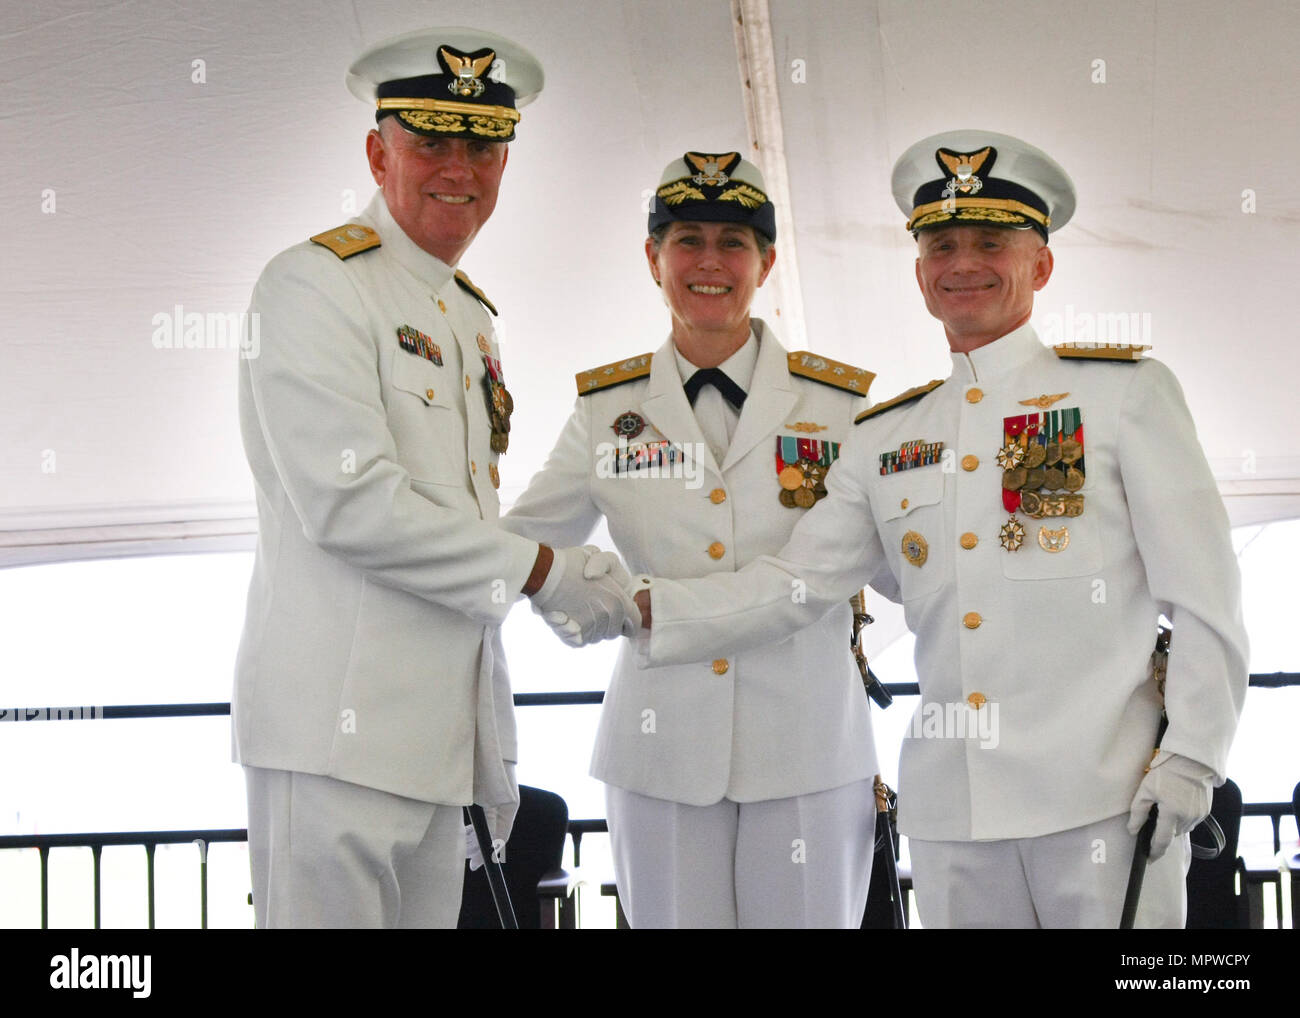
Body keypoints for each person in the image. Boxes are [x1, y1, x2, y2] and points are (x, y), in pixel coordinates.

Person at [609, 130, 1248, 928]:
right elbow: (793, 585)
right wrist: (642, 608)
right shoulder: (884, 436)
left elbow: (1206, 598)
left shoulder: (1125, 396)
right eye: (942, 244)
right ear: (920, 274)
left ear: (1041, 265)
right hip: (955, 820)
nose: (963, 262)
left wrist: (1193, 754)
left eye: (991, 241)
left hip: (1101, 803)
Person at [233, 27, 638, 929]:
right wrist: (546, 570)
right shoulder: (312, 286)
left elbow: (462, 515)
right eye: (431, 141)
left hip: (438, 745)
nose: (459, 167)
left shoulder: (466, 315)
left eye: (483, 145)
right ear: (378, 154)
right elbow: (353, 507)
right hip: (332, 736)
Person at [504, 151, 880, 928]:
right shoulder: (608, 411)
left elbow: (886, 559)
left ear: (766, 261)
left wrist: (634, 604)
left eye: (734, 241)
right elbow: (523, 548)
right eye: (688, 239)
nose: (710, 261)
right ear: (654, 259)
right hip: (660, 746)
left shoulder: (840, 404)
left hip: (809, 746)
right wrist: (585, 597)